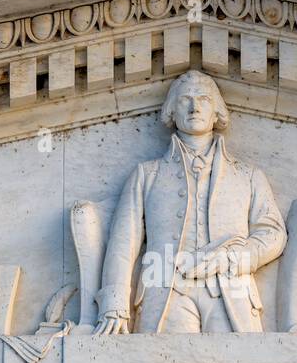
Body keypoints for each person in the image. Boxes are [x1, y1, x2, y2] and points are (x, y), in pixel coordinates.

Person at [94, 69, 287, 334]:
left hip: (231, 292)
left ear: (216, 110)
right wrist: (114, 304)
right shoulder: (147, 175)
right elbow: (124, 241)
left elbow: (273, 233)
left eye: (204, 99)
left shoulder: (247, 175)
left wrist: (234, 258)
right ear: (172, 111)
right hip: (165, 289)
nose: (195, 107)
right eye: (185, 99)